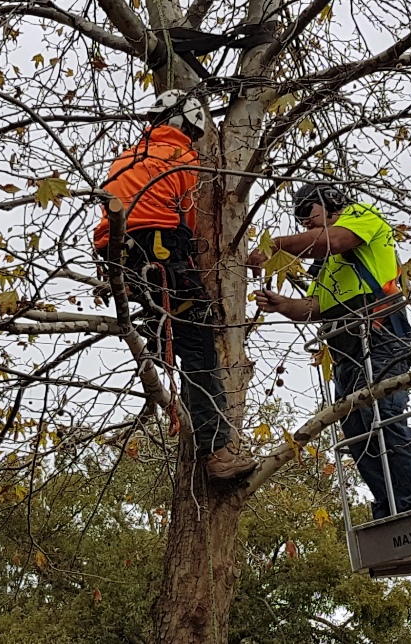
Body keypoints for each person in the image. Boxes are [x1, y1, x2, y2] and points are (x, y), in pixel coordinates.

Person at [247, 184, 411, 519]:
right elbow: (314, 306)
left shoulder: (361, 217)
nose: (304, 220)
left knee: (382, 415)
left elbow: (334, 240)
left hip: (379, 336)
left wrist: (275, 245)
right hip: (345, 351)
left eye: (308, 211)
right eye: (299, 216)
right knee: (356, 432)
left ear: (330, 202)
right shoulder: (328, 264)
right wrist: (283, 305)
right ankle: (390, 505)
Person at [94, 90, 254, 480]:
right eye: (194, 133)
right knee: (199, 346)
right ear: (184, 124)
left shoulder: (127, 156)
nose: (193, 140)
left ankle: (157, 333)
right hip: (162, 253)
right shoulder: (182, 157)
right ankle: (217, 451)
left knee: (169, 321)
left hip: (121, 259)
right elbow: (188, 221)